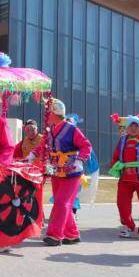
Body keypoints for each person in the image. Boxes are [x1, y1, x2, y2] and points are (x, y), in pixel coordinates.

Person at [32, 98, 92, 247]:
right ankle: (72, 234)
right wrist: (32, 154)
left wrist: (80, 160)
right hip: (56, 171)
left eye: (48, 112)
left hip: (72, 171)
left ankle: (55, 235)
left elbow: (86, 145)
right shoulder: (51, 130)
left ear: (54, 113)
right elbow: (44, 146)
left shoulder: (71, 129)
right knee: (63, 203)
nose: (46, 114)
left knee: (61, 202)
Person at [110, 116, 139, 241]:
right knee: (122, 203)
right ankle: (128, 226)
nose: (133, 129)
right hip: (125, 178)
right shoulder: (122, 140)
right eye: (131, 126)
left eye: (136, 126)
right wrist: (115, 166)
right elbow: (116, 155)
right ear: (127, 128)